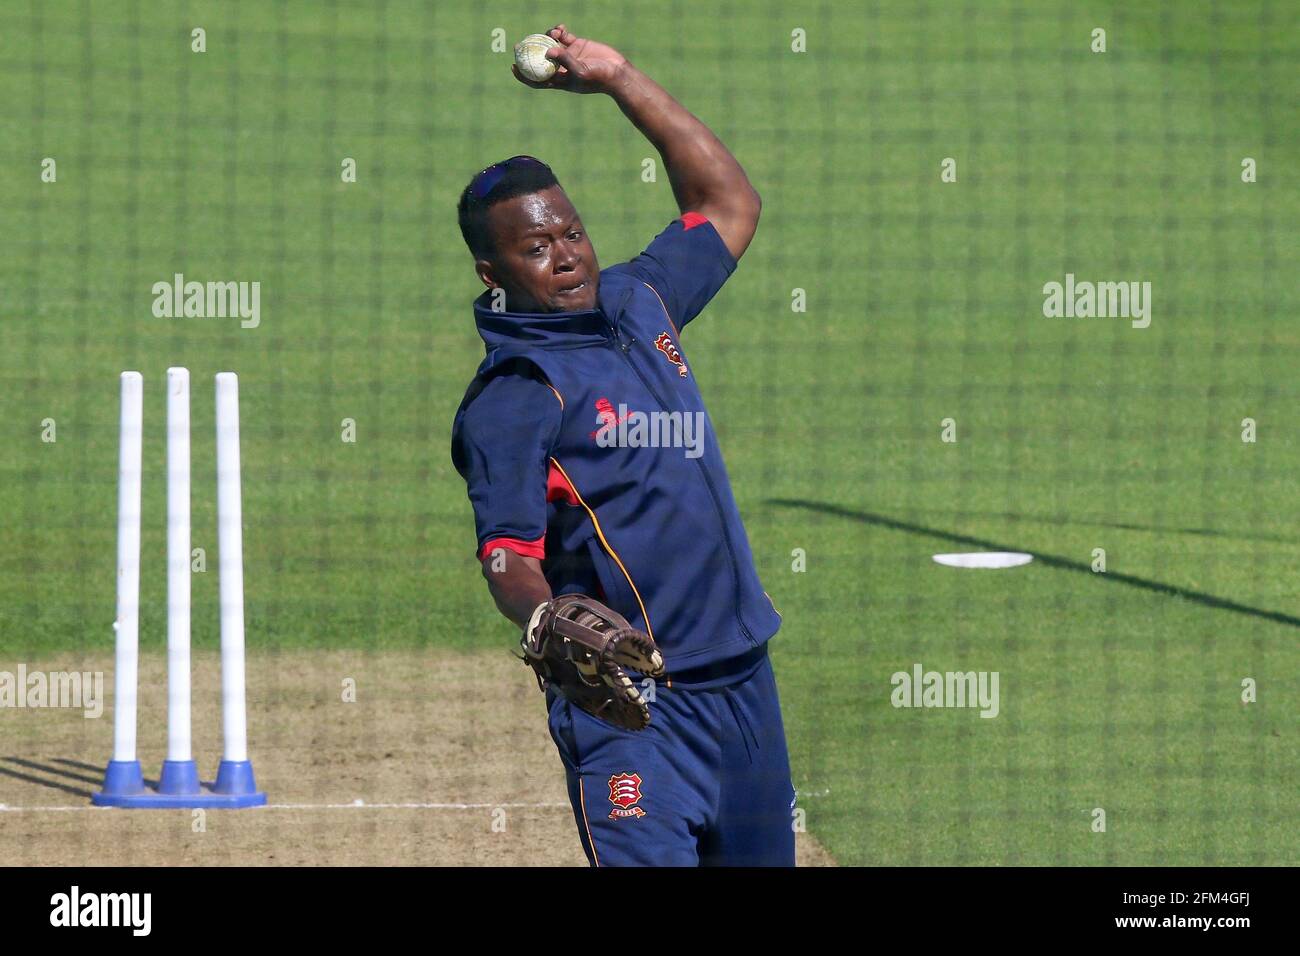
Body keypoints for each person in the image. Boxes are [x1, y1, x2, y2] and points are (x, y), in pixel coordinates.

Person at [451, 24, 794, 866]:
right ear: (494, 275)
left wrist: (619, 80)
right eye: (535, 248)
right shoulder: (516, 394)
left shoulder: (641, 299)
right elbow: (506, 552)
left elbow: (728, 205)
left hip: (745, 686)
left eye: (569, 232)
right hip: (634, 709)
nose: (565, 257)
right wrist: (538, 615)